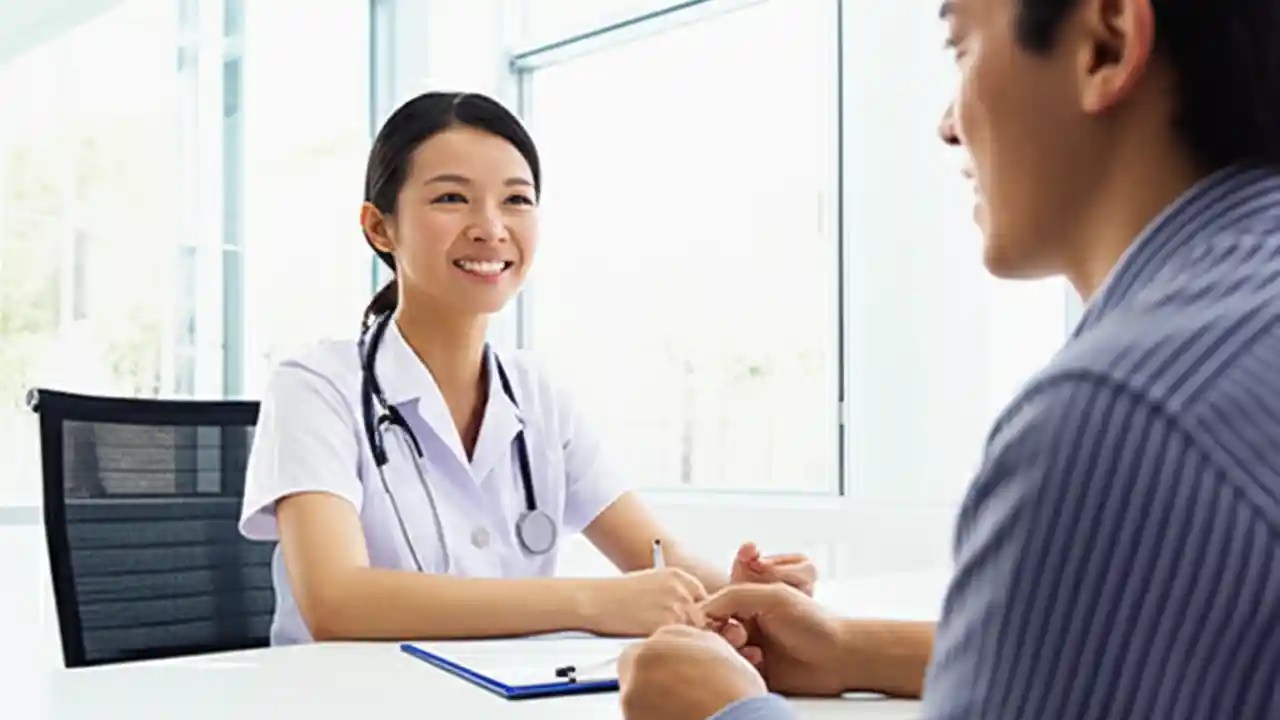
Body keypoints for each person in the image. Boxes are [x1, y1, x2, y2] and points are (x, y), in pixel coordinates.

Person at [617, 0, 1280, 717]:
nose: (947, 124)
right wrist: (850, 649)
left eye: (962, 49)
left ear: (1106, 43)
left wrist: (727, 710)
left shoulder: (1123, 413)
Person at [237, 91, 816, 645]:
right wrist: (592, 604)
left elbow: (659, 556)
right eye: (451, 198)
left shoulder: (536, 396)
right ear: (379, 227)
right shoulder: (317, 387)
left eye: (516, 199)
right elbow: (337, 602)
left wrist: (748, 594)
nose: (491, 227)